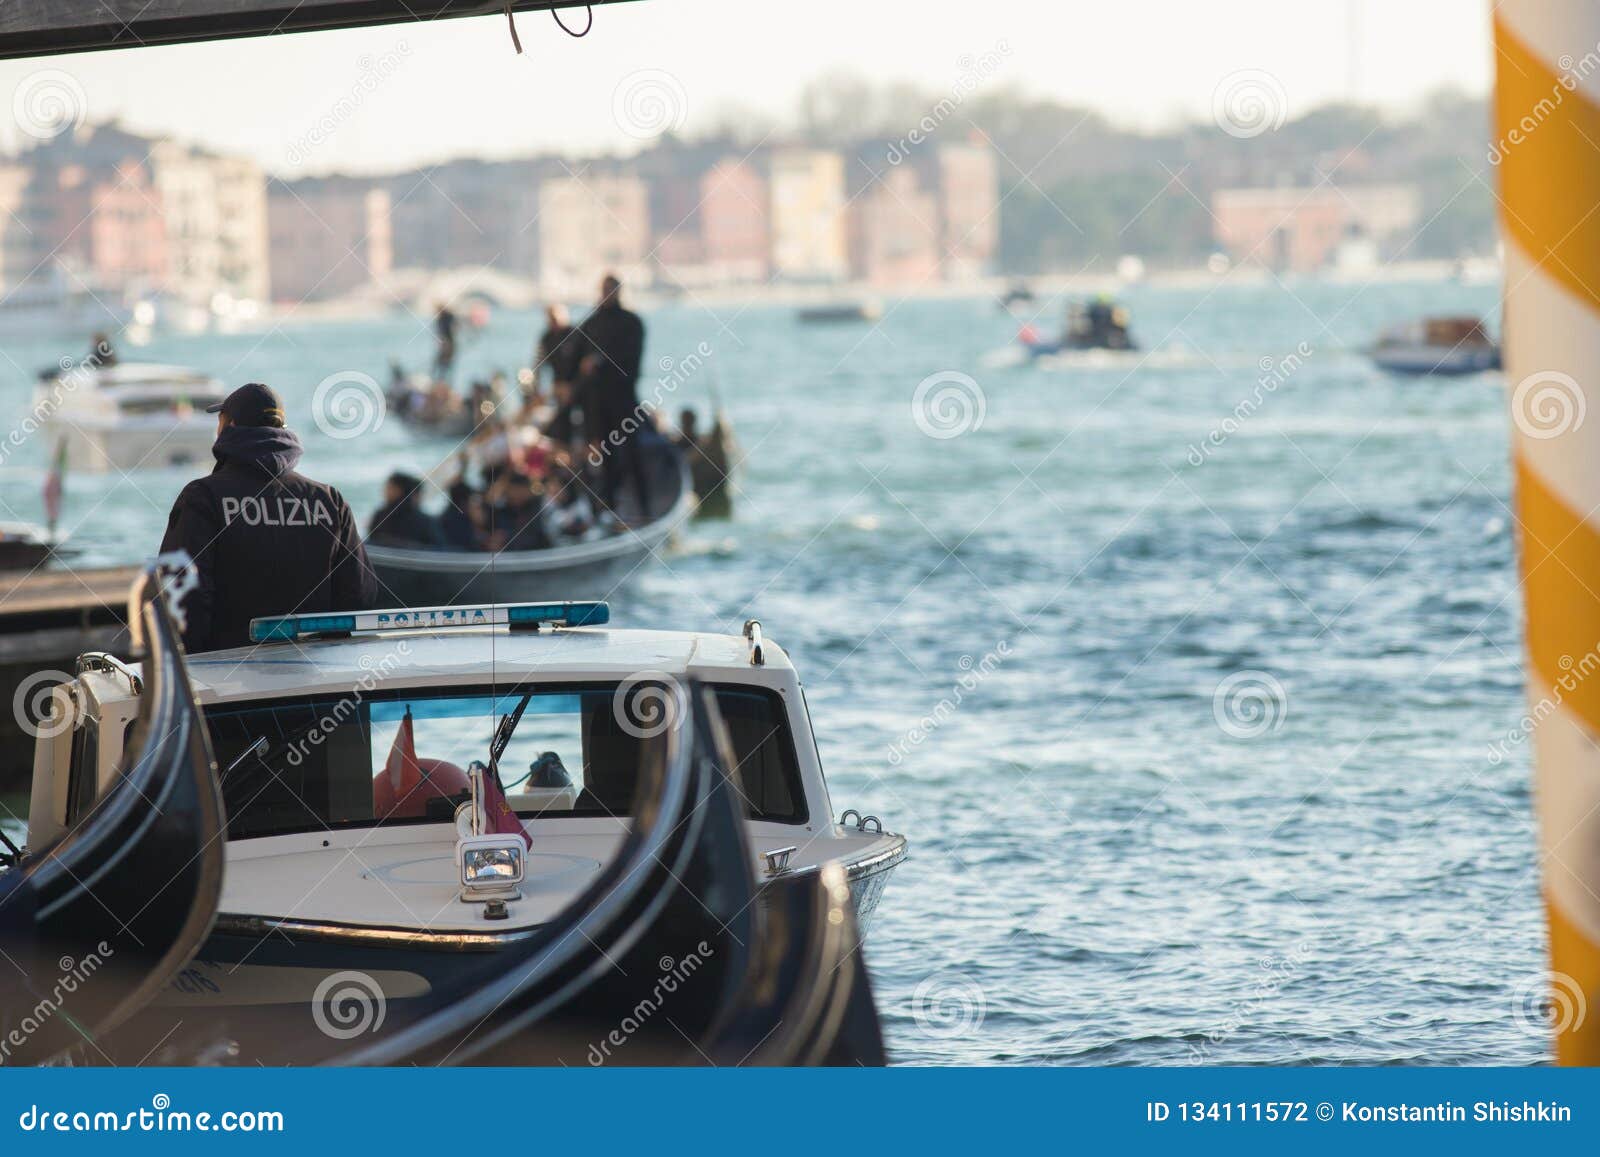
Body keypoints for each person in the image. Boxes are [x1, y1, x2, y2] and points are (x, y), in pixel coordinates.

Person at [158, 382, 376, 653]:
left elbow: (181, 594)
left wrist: (194, 664)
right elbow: (358, 599)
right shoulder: (328, 501)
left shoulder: (204, 497)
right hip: (316, 680)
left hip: (224, 681)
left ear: (229, 427)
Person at [575, 273, 649, 523]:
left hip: (624, 400)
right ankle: (608, 511)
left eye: (611, 289)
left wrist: (601, 363)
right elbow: (576, 361)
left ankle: (644, 509)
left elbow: (632, 365)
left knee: (631, 453)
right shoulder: (591, 324)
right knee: (604, 459)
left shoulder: (632, 323)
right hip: (597, 404)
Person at [676, 408, 733, 519]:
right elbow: (682, 460)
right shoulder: (677, 442)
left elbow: (727, 443)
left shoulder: (703, 440)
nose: (688, 423)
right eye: (686, 420)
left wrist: (722, 425)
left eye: (689, 420)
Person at [369, 471, 444, 548]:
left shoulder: (423, 521)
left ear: (400, 490)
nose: (385, 491)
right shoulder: (381, 514)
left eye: (390, 487)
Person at [535, 304, 584, 393]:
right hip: (558, 385)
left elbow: (585, 363)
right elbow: (538, 364)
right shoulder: (547, 338)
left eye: (555, 318)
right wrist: (538, 390)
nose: (554, 321)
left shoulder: (576, 334)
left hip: (577, 385)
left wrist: (574, 386)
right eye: (550, 318)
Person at [432, 301, 458, 382]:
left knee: (444, 366)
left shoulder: (447, 318)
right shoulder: (443, 318)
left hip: (448, 346)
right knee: (441, 366)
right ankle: (440, 381)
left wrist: (445, 343)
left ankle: (442, 381)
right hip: (446, 345)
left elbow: (450, 330)